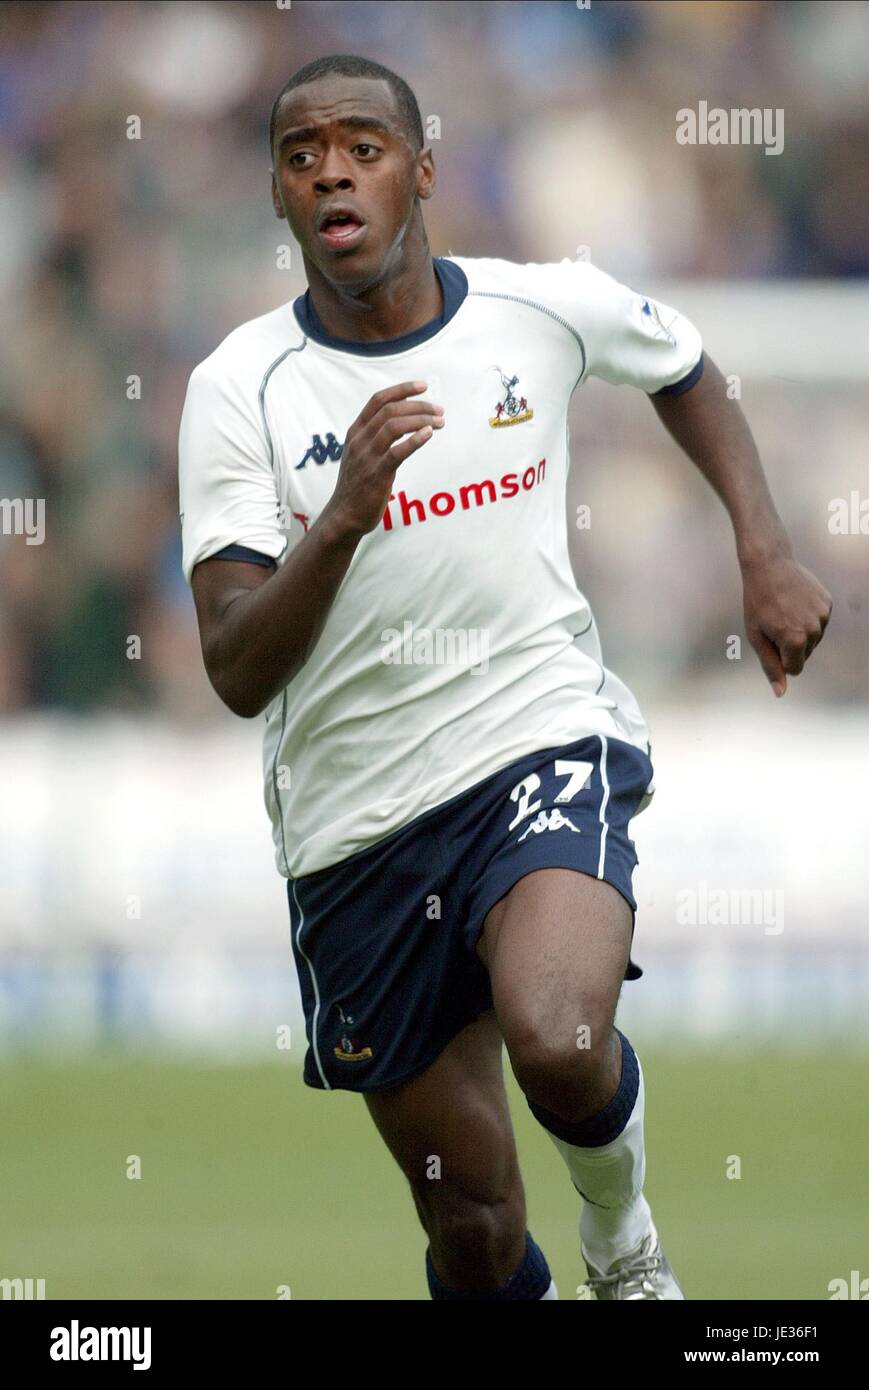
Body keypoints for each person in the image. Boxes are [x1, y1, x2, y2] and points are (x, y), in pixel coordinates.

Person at [178, 54, 832, 1301]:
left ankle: (623, 1242)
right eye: (302, 150)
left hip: (534, 739)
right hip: (354, 828)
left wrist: (762, 549)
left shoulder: (537, 308)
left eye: (363, 144)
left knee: (558, 1033)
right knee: (472, 1233)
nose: (331, 168)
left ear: (420, 171)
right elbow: (232, 666)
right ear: (277, 191)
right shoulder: (235, 391)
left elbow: (686, 363)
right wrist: (343, 515)